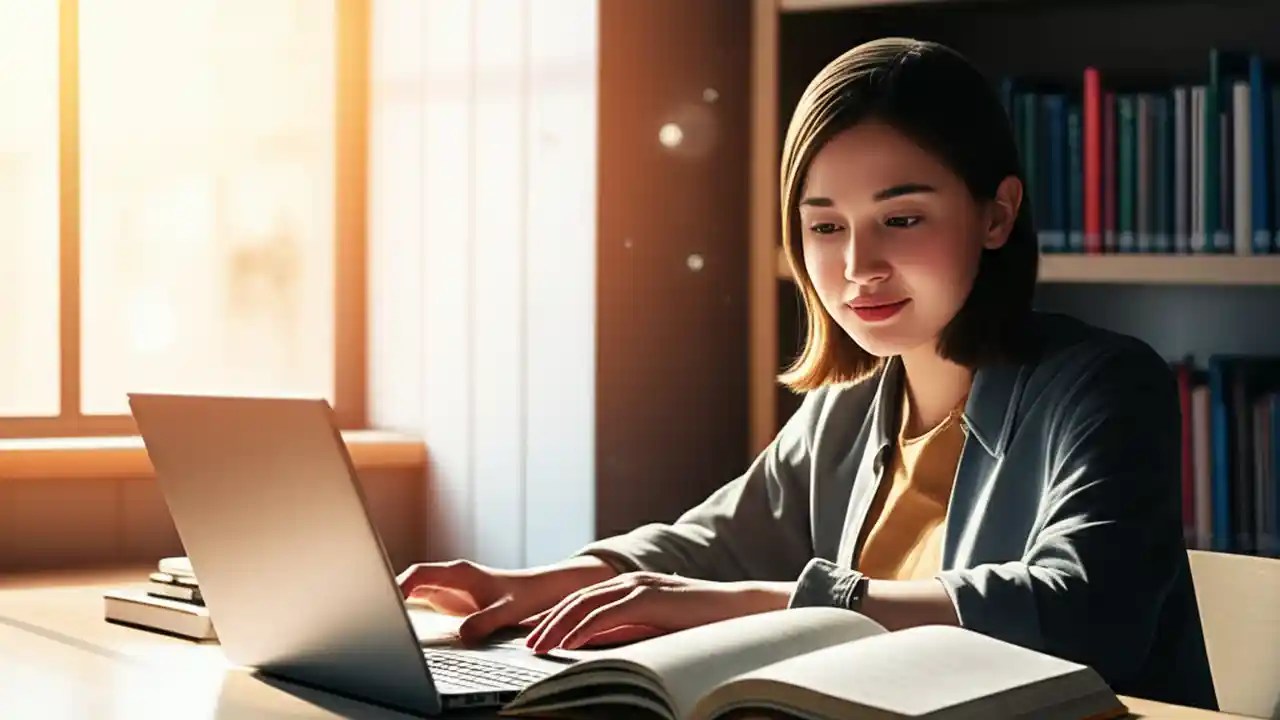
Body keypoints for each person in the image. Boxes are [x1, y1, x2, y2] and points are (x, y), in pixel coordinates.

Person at [397, 37, 1217, 710]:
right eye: (825, 226)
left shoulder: (1103, 385)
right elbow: (708, 546)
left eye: (901, 218)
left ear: (996, 213)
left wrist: (784, 602)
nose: (858, 265)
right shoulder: (850, 408)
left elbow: (1086, 611)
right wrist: (543, 583)